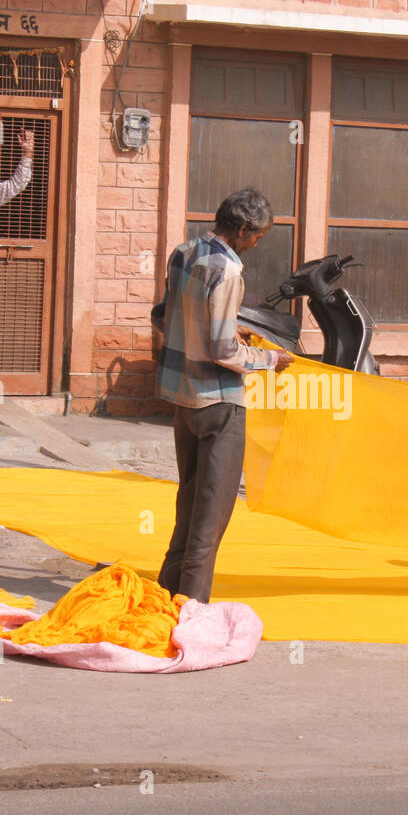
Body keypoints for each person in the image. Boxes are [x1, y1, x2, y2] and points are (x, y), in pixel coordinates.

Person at [151, 187, 294, 603]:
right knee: (211, 515)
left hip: (183, 397)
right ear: (243, 229)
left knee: (189, 501)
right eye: (257, 237)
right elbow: (222, 351)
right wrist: (269, 360)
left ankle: (167, 592)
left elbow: (165, 317)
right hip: (220, 403)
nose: (255, 244)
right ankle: (191, 606)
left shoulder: (183, 252)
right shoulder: (228, 270)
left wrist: (230, 331)